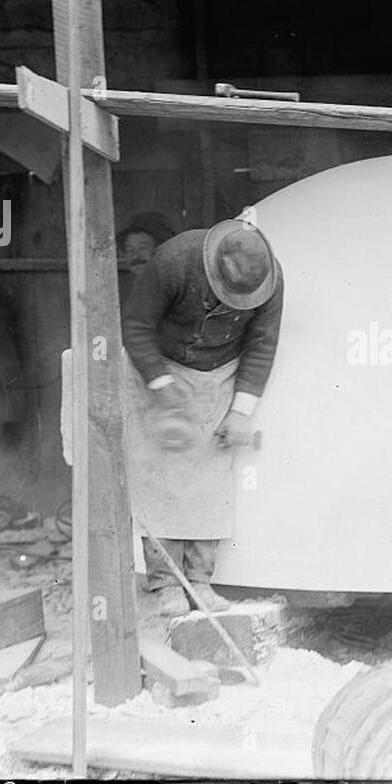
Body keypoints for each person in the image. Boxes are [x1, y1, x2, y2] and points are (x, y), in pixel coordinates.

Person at [121, 216, 283, 615]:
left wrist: (241, 412)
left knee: (210, 479)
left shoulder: (270, 280)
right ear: (212, 270)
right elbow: (136, 326)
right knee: (161, 474)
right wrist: (160, 384)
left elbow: (263, 344)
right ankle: (164, 584)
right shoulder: (173, 260)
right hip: (160, 364)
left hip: (220, 371)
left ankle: (199, 582)